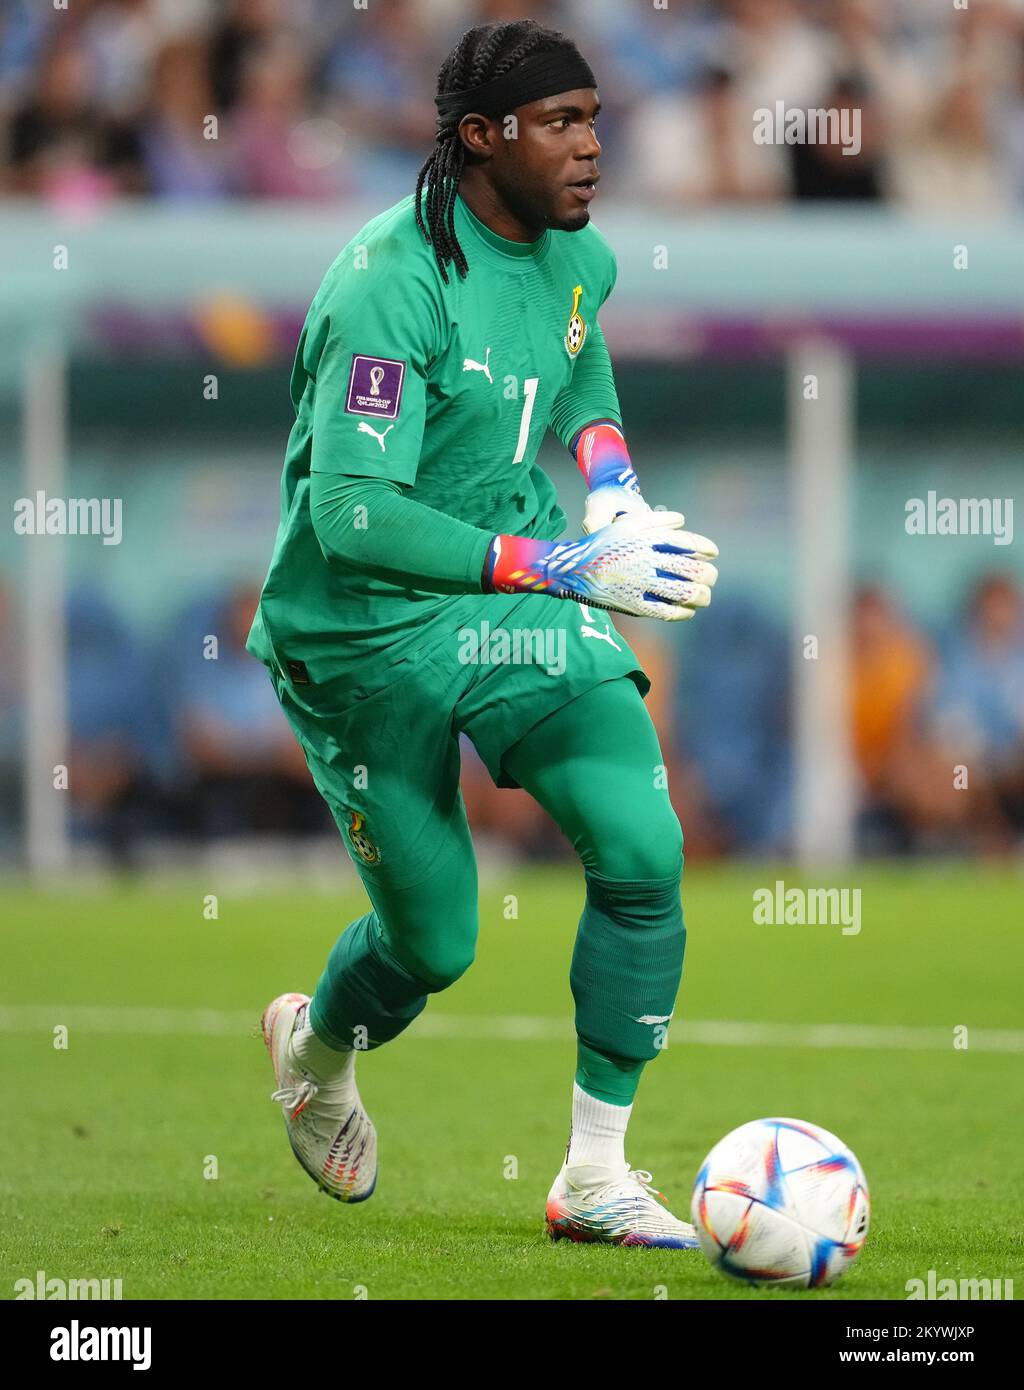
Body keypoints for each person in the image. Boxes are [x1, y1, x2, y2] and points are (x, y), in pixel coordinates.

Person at [247, 19, 719, 1249]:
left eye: (594, 117)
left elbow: (575, 365)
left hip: (510, 602)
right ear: (477, 138)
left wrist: (607, 482)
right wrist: (556, 559)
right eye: (560, 122)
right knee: (435, 941)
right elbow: (350, 513)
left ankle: (596, 1174)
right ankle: (315, 1047)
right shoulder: (385, 283)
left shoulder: (575, 258)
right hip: (360, 632)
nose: (591, 146)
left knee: (641, 845)